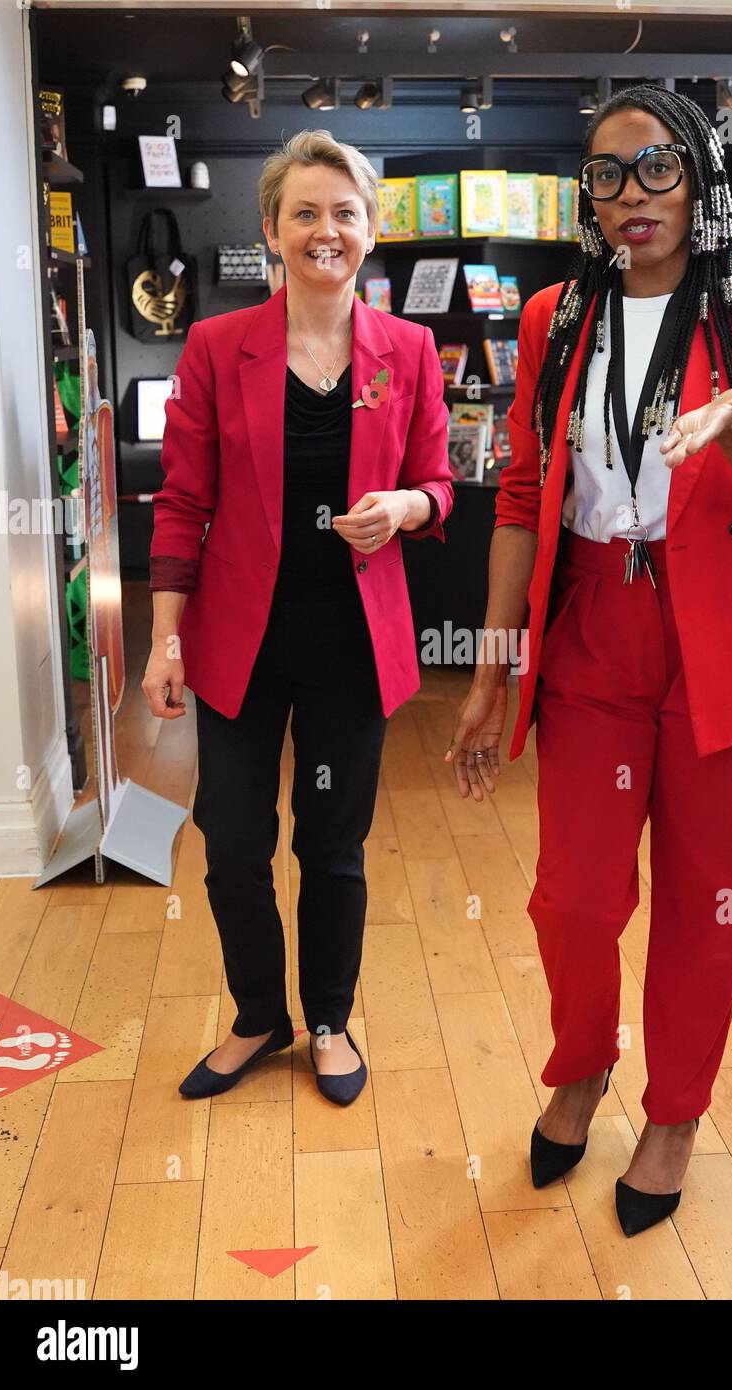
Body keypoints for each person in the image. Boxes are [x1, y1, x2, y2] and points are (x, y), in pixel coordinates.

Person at [445, 85, 732, 1236]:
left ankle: (673, 1114)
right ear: (587, 194)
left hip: (726, 637)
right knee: (573, 893)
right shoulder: (552, 316)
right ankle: (581, 1065)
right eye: (607, 174)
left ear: (699, 179)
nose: (631, 196)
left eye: (656, 168)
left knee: (708, 906)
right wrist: (488, 667)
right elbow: (522, 496)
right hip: (594, 632)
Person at [142, 129, 453, 1105]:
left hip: (352, 644)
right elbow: (183, 501)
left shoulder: (406, 350)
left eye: (345, 213)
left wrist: (404, 509)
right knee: (232, 838)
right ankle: (256, 1015)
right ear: (271, 229)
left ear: (371, 230)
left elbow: (438, 482)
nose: (326, 230)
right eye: (305, 213)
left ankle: (327, 1017)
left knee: (332, 841)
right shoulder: (215, 346)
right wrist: (164, 637)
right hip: (240, 639)